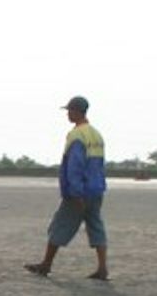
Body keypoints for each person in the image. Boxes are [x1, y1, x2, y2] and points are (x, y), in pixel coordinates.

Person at [26, 95, 108, 280]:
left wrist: (76, 192)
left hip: (80, 192)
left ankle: (46, 265)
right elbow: (99, 165)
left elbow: (75, 167)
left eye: (69, 110)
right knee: (96, 227)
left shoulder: (77, 135)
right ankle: (102, 269)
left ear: (77, 111)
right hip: (96, 190)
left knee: (59, 226)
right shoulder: (97, 134)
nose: (68, 114)